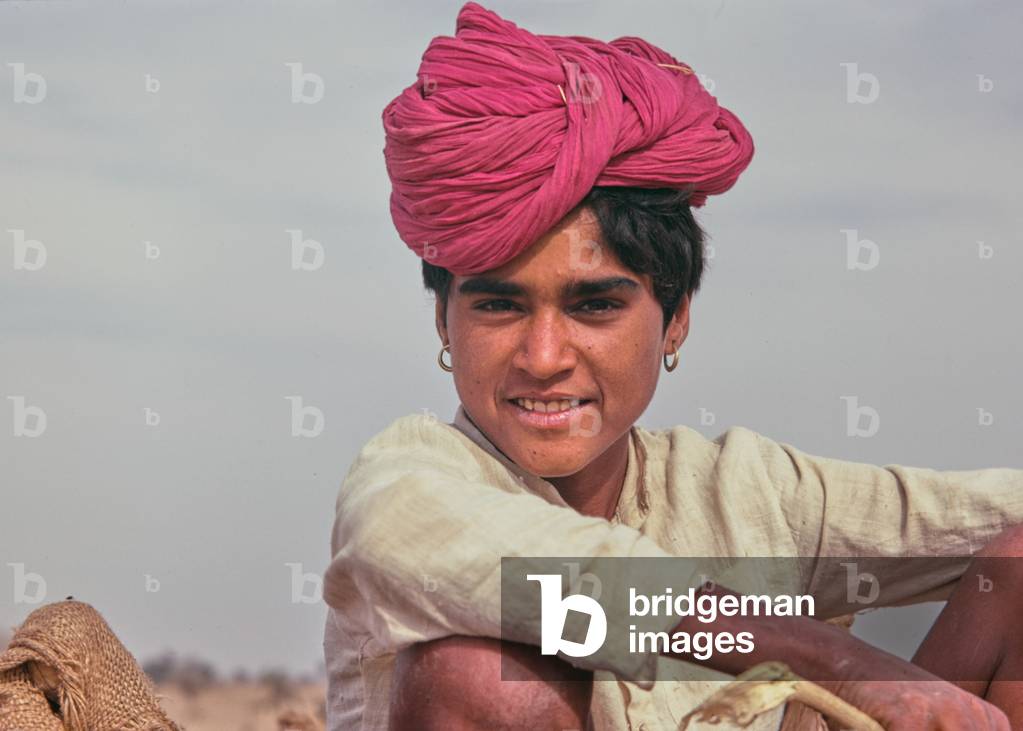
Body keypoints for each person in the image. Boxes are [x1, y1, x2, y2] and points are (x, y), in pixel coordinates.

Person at [322, 3, 1023, 729]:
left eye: (594, 306)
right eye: (500, 306)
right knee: (478, 673)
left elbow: (975, 514)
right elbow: (530, 573)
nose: (544, 357)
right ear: (445, 320)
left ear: (675, 318)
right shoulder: (408, 479)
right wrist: (845, 667)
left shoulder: (745, 493)